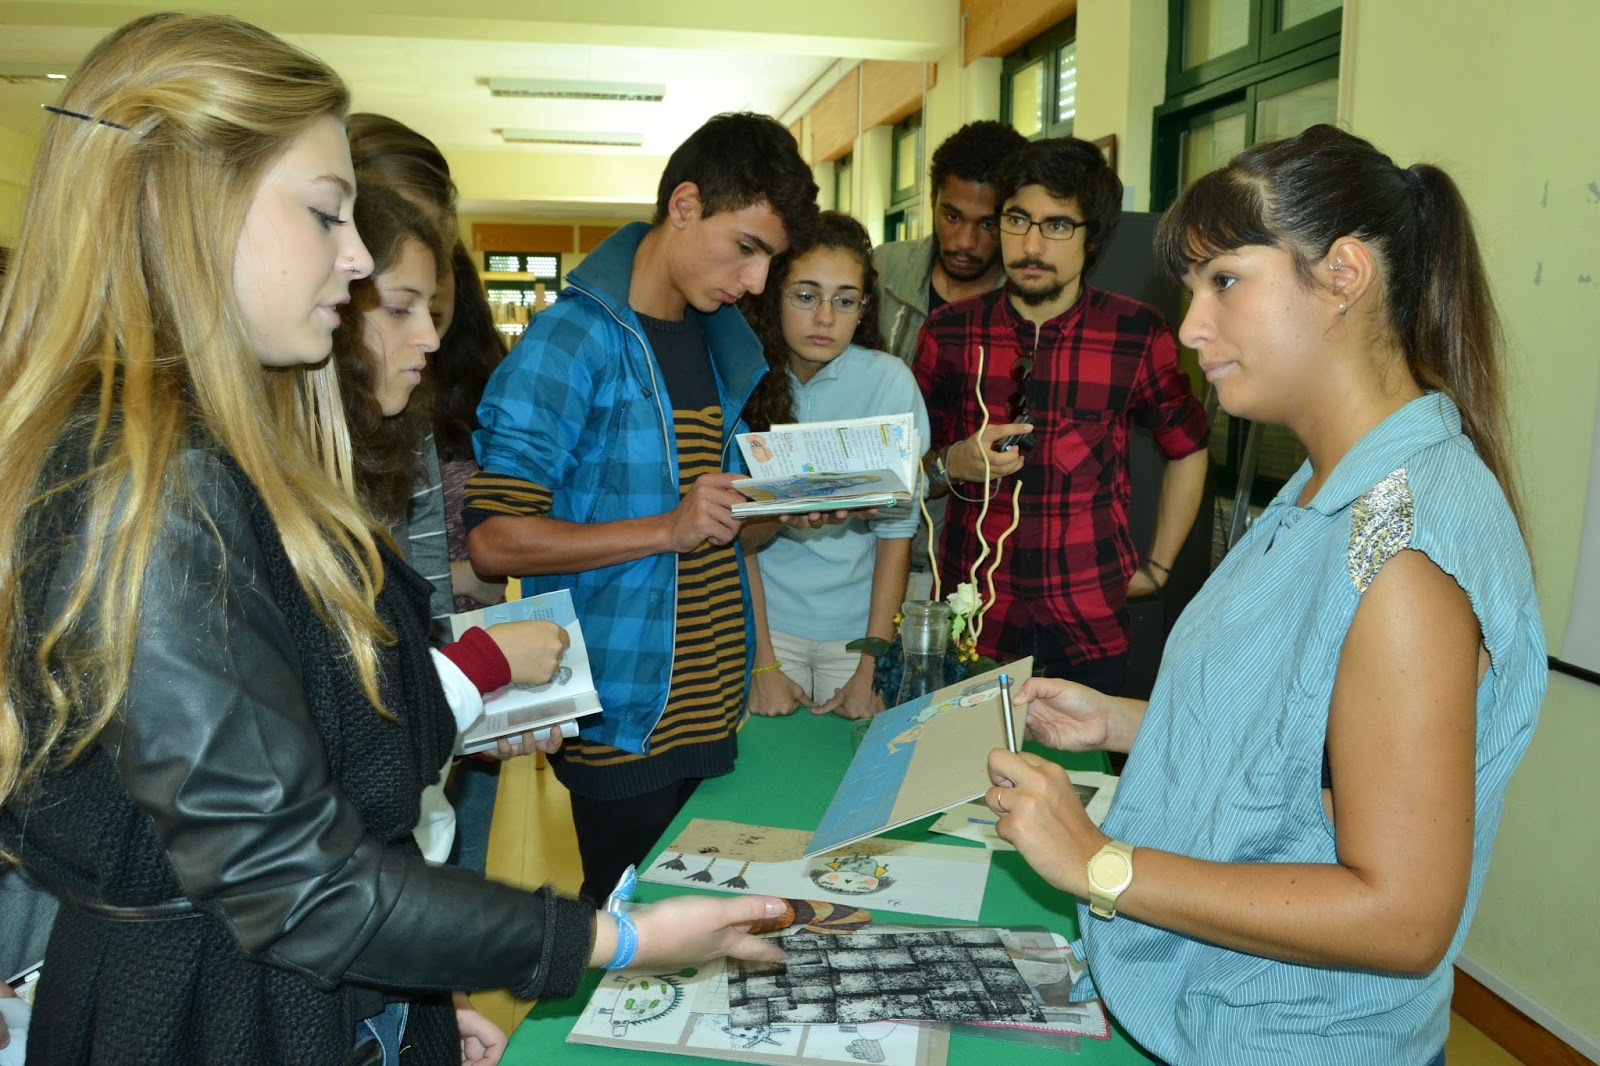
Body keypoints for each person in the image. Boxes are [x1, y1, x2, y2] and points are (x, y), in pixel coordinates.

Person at [0, 15, 786, 1064]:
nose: (357, 255)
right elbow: (297, 885)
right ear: (178, 204)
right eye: (325, 213)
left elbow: (330, 783)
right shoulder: (151, 487)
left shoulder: (236, 464)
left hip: (299, 1003)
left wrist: (397, 1006)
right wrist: (616, 937)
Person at [982, 125, 1546, 1065]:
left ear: (1344, 275)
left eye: (1225, 282)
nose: (1191, 326)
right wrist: (1128, 722)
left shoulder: (1405, 547)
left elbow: (1403, 917)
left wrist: (1098, 863)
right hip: (1205, 1009)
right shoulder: (1332, 484)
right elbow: (1314, 732)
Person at [465, 112, 819, 904]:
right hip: (621, 722)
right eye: (747, 248)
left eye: (770, 259)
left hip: (715, 711)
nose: (755, 282)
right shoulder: (570, 341)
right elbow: (495, 541)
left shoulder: (722, 342)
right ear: (685, 205)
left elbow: (716, 530)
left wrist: (781, 510)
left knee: (709, 942)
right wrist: (667, 527)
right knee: (632, 943)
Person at [913, 137, 1210, 693]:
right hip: (974, 618)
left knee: (1086, 753)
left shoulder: (1134, 333)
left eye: (1056, 225)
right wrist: (952, 463)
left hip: (1088, 621)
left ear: (1091, 236)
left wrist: (1159, 567)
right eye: (1016, 220)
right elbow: (905, 470)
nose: (1031, 244)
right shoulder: (949, 332)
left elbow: (1188, 447)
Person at [346, 113, 515, 875]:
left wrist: (466, 683)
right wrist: (470, 674)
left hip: (426, 732)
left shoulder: (406, 413)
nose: (430, 336)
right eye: (400, 304)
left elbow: (422, 597)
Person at [739, 211, 929, 720]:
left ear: (863, 308)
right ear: (773, 293)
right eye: (806, 296)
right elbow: (737, 534)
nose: (824, 317)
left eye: (844, 301)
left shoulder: (888, 381)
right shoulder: (744, 376)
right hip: (764, 627)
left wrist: (871, 665)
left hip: (859, 631)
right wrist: (763, 663)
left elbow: (897, 533)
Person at [872, 120, 1028, 601]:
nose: (963, 241)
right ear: (933, 200)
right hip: (861, 535)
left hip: (963, 552)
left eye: (987, 224)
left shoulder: (1026, 305)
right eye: (951, 216)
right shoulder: (880, 271)